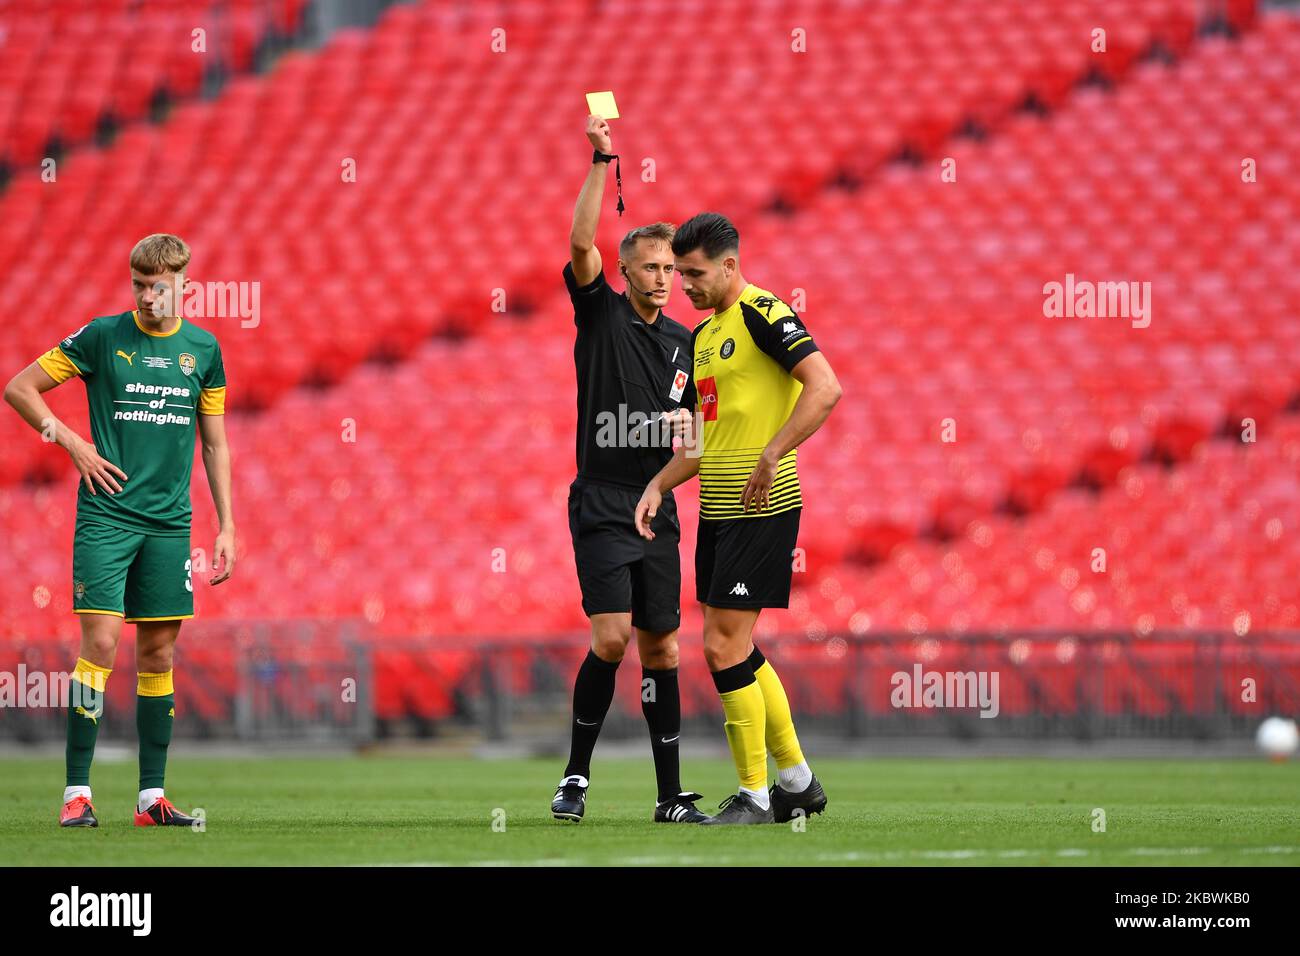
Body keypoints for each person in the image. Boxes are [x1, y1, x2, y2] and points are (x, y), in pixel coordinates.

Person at [3, 233, 236, 828]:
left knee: (159, 652)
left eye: (158, 285)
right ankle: (76, 793)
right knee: (101, 645)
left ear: (184, 284)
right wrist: (73, 442)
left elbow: (215, 444)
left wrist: (227, 525)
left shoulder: (204, 351)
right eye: (138, 284)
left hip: (169, 523)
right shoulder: (101, 337)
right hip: (106, 515)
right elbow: (19, 388)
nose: (148, 295)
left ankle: (150, 798)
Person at [635, 212, 842, 824]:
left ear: (729, 265)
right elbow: (701, 443)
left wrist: (775, 450)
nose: (683, 285)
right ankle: (798, 783)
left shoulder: (764, 312)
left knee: (722, 645)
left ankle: (755, 796)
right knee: (737, 647)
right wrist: (657, 483)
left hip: (763, 503)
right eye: (678, 272)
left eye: (694, 273)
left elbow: (825, 387)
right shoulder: (702, 339)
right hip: (718, 511)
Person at [551, 116, 707, 824]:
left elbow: (697, 439)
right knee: (611, 640)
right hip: (604, 502)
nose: (665, 278)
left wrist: (687, 438)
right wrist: (601, 160)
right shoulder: (603, 318)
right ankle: (576, 778)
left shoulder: (687, 342)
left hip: (658, 506)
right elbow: (581, 240)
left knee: (665, 647)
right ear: (627, 271)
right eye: (652, 266)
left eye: (673, 268)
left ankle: (669, 795)